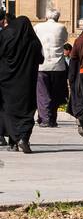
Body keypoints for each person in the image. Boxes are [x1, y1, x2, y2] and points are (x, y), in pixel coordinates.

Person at [0, 16, 44, 153]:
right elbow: (41, 59)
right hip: (27, 83)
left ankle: (15, 140)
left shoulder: (6, 36)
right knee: (27, 112)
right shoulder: (34, 42)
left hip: (6, 82)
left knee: (8, 111)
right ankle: (23, 138)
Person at [34, 10, 68, 128]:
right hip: (58, 66)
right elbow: (65, 40)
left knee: (42, 93)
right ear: (58, 17)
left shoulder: (38, 27)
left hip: (42, 65)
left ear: (45, 17)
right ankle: (52, 118)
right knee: (55, 94)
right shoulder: (61, 27)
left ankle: (44, 119)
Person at [64, 42, 79, 121]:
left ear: (69, 50)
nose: (64, 53)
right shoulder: (65, 59)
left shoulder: (73, 58)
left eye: (65, 51)